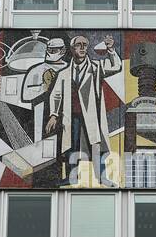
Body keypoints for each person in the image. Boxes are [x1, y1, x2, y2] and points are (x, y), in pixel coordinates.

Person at [45, 34, 121, 185]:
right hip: (72, 116)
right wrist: (53, 115)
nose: (82, 48)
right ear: (72, 49)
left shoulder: (96, 67)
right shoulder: (64, 73)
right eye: (78, 45)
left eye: (84, 45)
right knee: (71, 147)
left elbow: (116, 66)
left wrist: (111, 49)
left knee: (96, 145)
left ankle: (102, 177)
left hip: (91, 115)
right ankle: (72, 177)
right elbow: (56, 95)